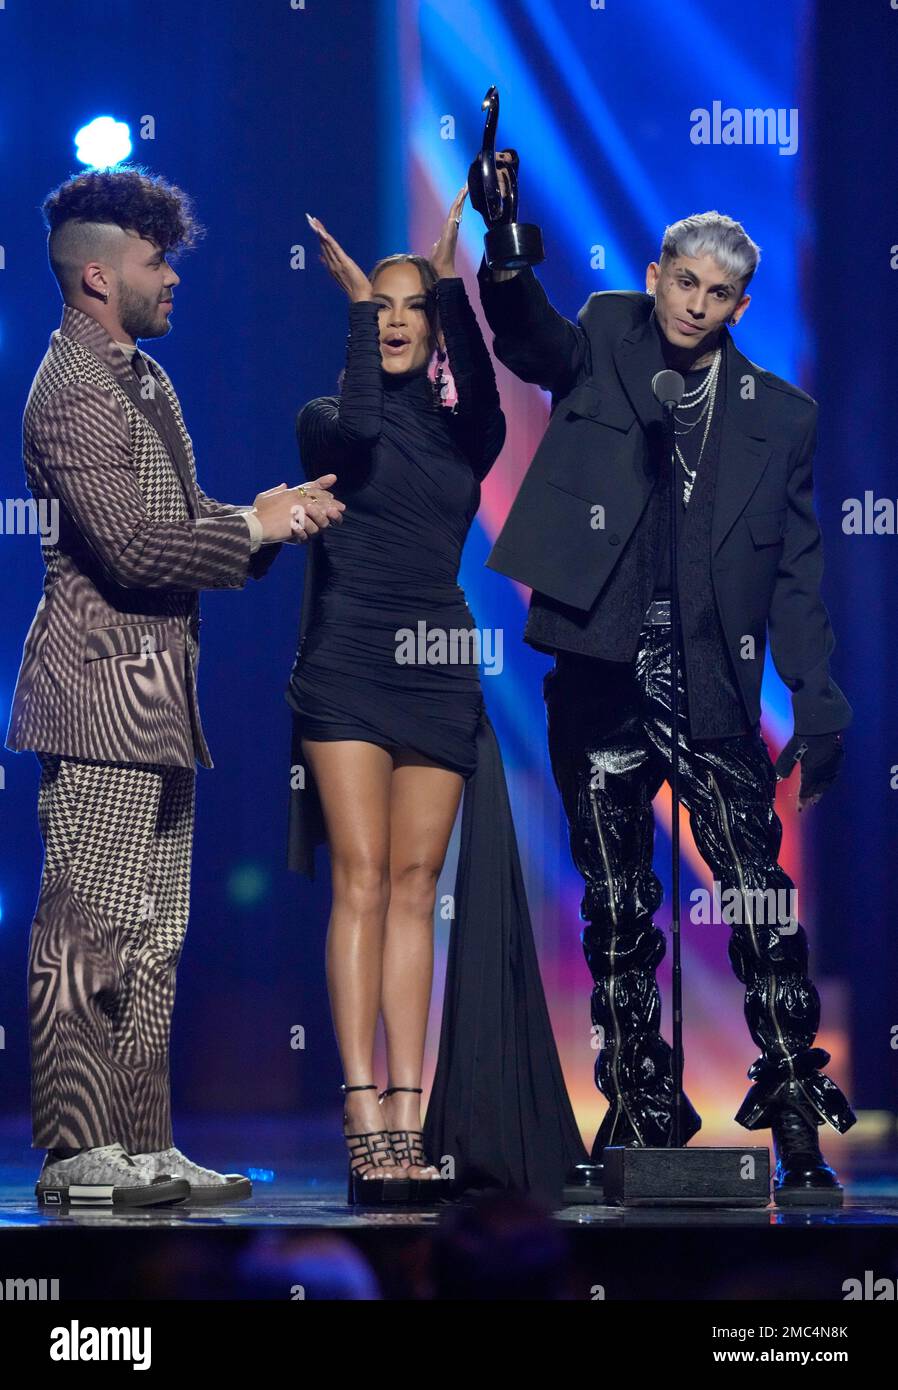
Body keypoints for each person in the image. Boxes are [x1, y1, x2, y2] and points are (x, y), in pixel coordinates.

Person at [476, 156, 855, 1207]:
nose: (695, 304)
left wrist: (817, 701)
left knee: (757, 897)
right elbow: (529, 338)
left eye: (717, 292)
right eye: (682, 280)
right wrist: (507, 248)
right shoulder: (603, 337)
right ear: (656, 276)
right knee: (614, 906)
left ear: (741, 304)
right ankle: (640, 1111)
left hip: (709, 679)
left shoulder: (778, 416)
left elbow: (794, 569)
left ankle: (790, 1120)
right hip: (600, 667)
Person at [5, 166, 343, 1208]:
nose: (174, 281)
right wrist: (253, 526)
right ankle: (74, 1152)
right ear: (97, 276)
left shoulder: (147, 380)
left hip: (162, 700)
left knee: (155, 934)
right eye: (158, 264)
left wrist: (260, 513)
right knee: (87, 927)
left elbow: (188, 514)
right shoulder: (66, 390)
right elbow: (136, 548)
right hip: (97, 695)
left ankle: (143, 1143)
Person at [286, 188, 586, 1204]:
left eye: (414, 307)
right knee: (362, 878)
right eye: (386, 307)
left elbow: (496, 404)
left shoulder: (466, 438)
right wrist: (364, 312)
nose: (400, 317)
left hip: (437, 660)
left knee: (417, 888)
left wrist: (449, 279)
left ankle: (408, 1114)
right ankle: (363, 1104)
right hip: (347, 662)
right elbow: (363, 429)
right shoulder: (326, 418)